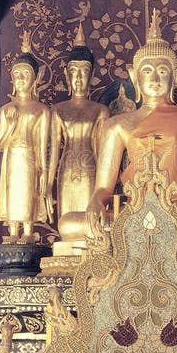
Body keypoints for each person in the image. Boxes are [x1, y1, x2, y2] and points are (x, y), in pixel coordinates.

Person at [87, 10, 177, 229]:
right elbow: (103, 189)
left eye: (163, 71)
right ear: (135, 76)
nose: (154, 78)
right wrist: (95, 204)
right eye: (147, 71)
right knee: (72, 225)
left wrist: (173, 207)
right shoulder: (116, 126)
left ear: (176, 76)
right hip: (135, 212)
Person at [48, 24, 109, 243]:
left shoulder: (100, 110)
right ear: (66, 75)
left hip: (90, 168)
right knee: (67, 221)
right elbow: (55, 151)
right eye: (74, 72)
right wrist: (46, 187)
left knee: (88, 216)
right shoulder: (58, 109)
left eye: (84, 72)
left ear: (92, 75)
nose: (79, 78)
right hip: (67, 167)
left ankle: (92, 246)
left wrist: (105, 189)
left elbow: (103, 154)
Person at [0, 33, 53, 240]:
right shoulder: (6, 110)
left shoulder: (41, 110)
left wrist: (45, 172)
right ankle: (12, 232)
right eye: (17, 74)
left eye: (25, 75)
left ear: (35, 79)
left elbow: (42, 144)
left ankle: (28, 232)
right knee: (13, 195)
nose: (20, 79)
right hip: (12, 158)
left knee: (29, 193)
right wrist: (10, 126)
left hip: (30, 157)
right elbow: (1, 146)